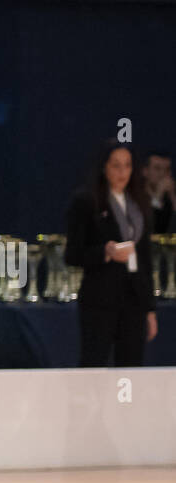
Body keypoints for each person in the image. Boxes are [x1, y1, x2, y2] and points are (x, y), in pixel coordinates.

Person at [66, 141, 159, 366]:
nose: (122, 172)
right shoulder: (86, 202)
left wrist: (149, 309)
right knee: (94, 365)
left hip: (134, 299)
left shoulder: (139, 203)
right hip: (100, 299)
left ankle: (125, 403)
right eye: (116, 165)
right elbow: (73, 255)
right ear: (104, 167)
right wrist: (105, 252)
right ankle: (90, 403)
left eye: (127, 166)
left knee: (131, 367)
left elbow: (145, 261)